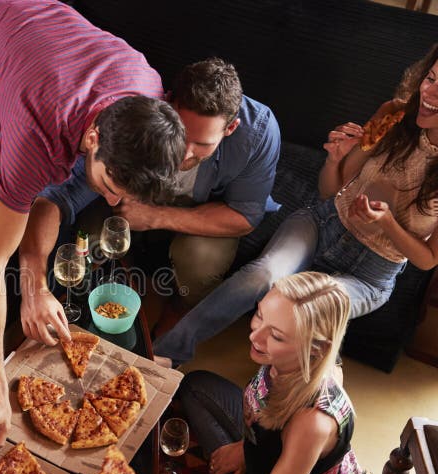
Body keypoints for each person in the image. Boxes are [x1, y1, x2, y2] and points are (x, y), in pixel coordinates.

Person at [0, 0, 185, 465]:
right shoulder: (31, 138)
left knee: (48, 201)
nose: (115, 205)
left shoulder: (151, 94)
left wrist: (37, 283)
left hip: (50, 25)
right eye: (112, 188)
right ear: (96, 138)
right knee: (17, 198)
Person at [153, 43, 438, 365]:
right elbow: (331, 191)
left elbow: (427, 259)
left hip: (371, 274)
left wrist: (386, 222)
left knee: (303, 309)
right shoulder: (394, 114)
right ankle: (162, 355)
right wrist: (333, 161)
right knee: (261, 277)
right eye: (430, 78)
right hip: (323, 224)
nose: (429, 93)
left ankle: (282, 401)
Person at [24, 57, 281, 338]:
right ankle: (108, 297)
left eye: (202, 145)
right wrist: (35, 289)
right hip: (128, 202)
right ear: (168, 106)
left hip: (202, 211)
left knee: (201, 260)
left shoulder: (259, 134)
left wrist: (156, 216)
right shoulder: (136, 112)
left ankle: (178, 309)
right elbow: (60, 196)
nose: (184, 154)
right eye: (181, 136)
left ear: (230, 129)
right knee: (93, 241)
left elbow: (245, 217)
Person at [110, 272, 369, 474]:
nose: (255, 337)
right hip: (266, 451)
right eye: (260, 315)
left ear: (316, 349)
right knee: (196, 387)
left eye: (277, 336)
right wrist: (245, 448)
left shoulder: (313, 424)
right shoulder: (306, 355)